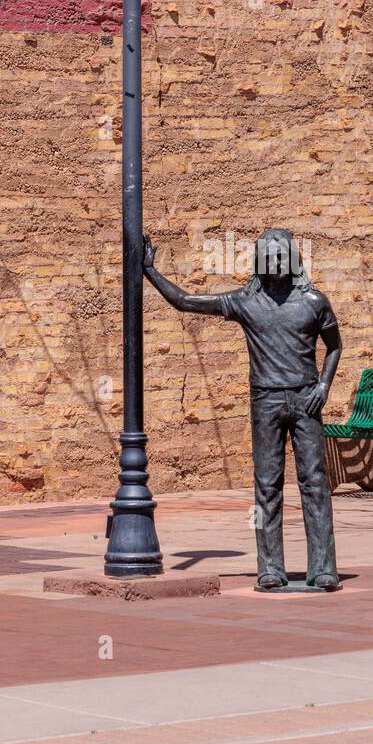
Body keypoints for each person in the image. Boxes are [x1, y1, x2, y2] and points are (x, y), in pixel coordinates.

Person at [143, 228, 342, 591]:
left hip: (305, 399)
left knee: (314, 483)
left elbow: (334, 347)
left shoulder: (314, 301)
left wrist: (324, 387)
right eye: (270, 257)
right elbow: (187, 301)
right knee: (266, 486)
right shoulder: (245, 302)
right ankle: (269, 568)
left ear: (294, 259)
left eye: (283, 256)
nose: (277, 263)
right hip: (266, 401)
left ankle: (323, 567)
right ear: (260, 263)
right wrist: (150, 271)